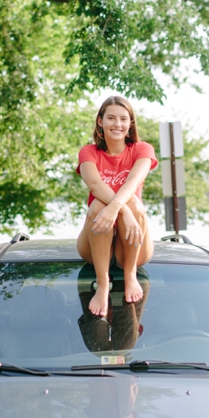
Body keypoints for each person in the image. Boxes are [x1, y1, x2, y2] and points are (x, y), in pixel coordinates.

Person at [75, 95, 158, 319]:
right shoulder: (89, 152)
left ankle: (130, 274)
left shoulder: (142, 149)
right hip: (96, 242)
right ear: (100, 121)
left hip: (131, 245)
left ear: (130, 123)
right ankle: (103, 284)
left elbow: (133, 182)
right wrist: (122, 211)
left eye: (123, 119)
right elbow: (94, 185)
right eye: (111, 118)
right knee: (98, 206)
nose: (117, 124)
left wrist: (125, 210)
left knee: (133, 202)